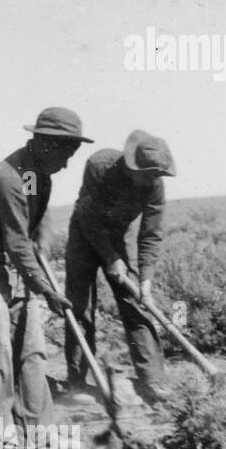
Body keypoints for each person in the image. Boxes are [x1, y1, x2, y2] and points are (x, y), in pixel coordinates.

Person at [0, 108, 91, 449]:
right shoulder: (9, 177)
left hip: (15, 264)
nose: (67, 162)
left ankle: (37, 432)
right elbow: (16, 242)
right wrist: (46, 289)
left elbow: (34, 221)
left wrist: (42, 249)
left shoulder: (36, 174)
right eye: (65, 152)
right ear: (44, 143)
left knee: (32, 349)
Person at [65, 130, 177, 405]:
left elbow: (151, 234)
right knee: (80, 307)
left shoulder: (154, 184)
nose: (151, 180)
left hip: (119, 235)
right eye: (147, 174)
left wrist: (145, 281)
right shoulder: (100, 166)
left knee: (136, 302)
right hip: (84, 234)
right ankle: (78, 381)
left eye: (156, 176)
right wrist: (110, 257)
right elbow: (89, 218)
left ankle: (153, 379)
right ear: (131, 165)